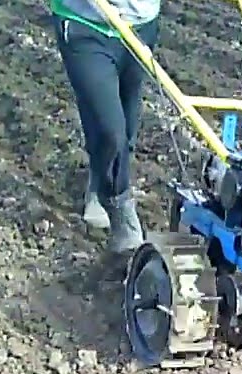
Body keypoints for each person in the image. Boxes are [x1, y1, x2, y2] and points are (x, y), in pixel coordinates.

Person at [47, 0, 161, 255]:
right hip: (84, 23)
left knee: (128, 118)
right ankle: (118, 207)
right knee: (109, 129)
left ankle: (102, 179)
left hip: (140, 23)